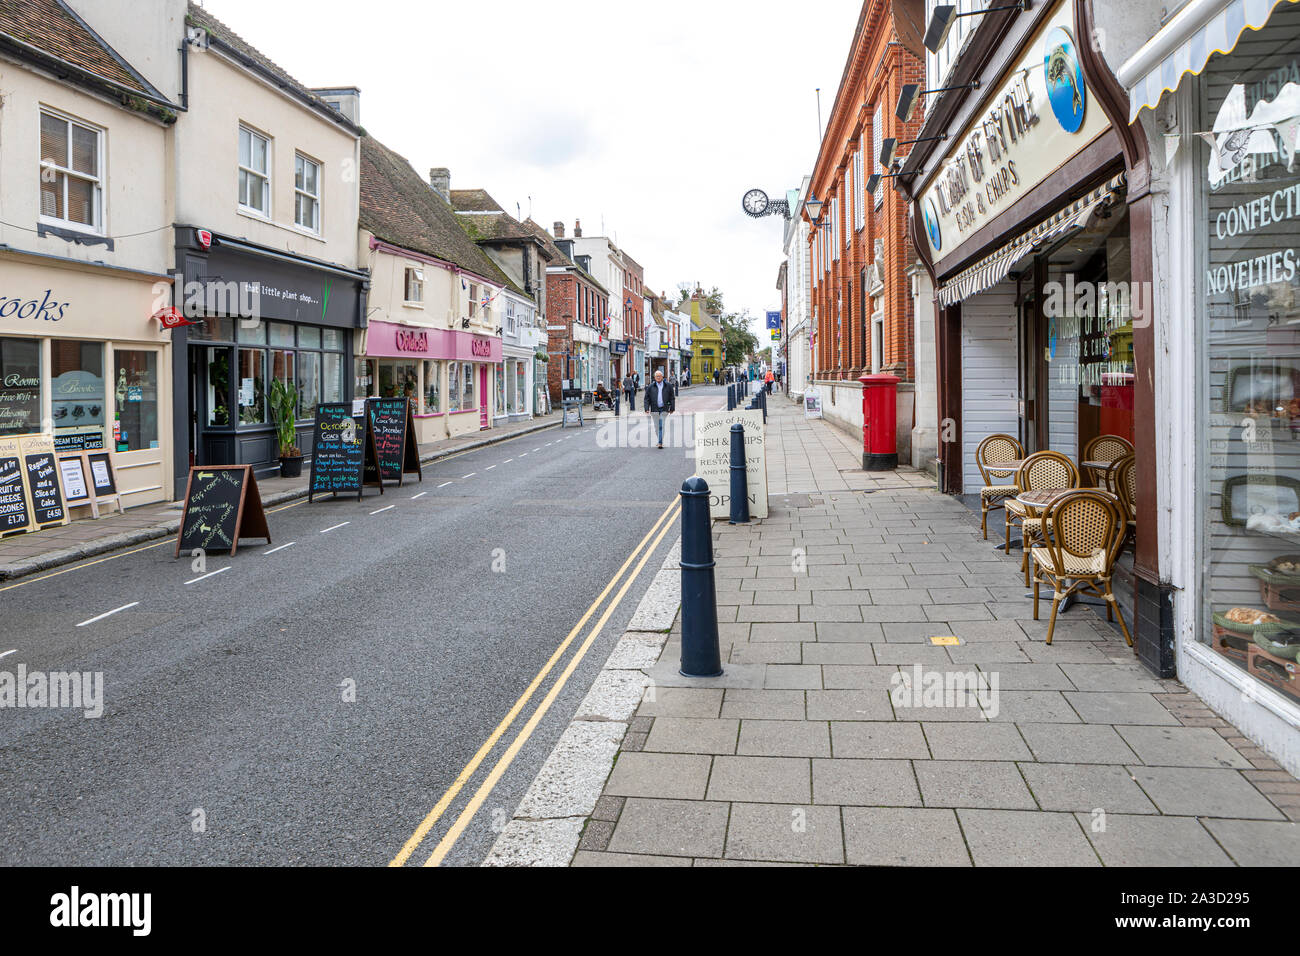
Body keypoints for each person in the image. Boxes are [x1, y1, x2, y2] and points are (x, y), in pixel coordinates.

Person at [644, 368, 675, 449]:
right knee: (656, 426)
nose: (658, 377)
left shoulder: (668, 385)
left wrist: (672, 408)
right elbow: (646, 398)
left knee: (661, 425)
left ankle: (660, 442)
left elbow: (672, 397)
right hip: (654, 409)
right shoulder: (650, 386)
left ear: (662, 377)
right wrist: (646, 408)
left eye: (659, 376)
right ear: (654, 377)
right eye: (656, 376)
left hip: (664, 408)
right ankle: (659, 439)